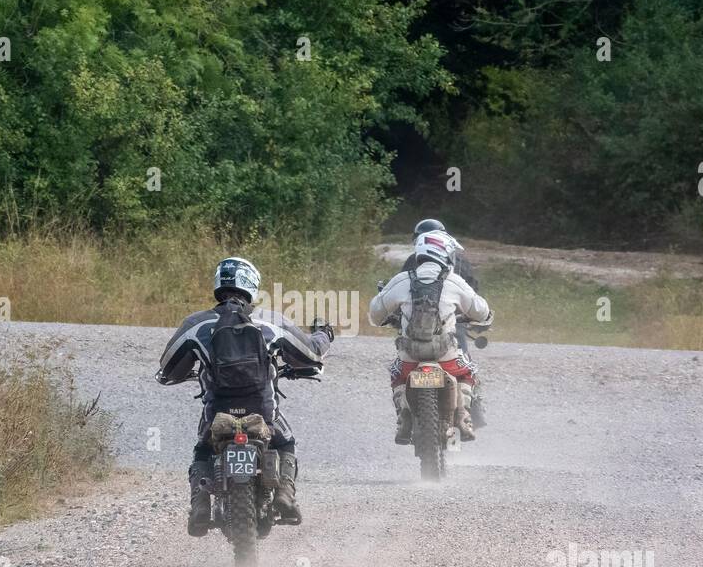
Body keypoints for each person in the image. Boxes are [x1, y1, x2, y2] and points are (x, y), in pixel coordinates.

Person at [157, 257, 333, 537]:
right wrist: (325, 334)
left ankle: (200, 505)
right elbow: (310, 353)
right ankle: (285, 495)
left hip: (217, 414)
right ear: (251, 284)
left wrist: (179, 373)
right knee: (285, 442)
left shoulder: (196, 324)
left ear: (219, 284)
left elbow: (167, 367)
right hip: (263, 412)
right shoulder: (271, 322)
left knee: (202, 449)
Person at [370, 230, 492, 444]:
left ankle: (404, 416)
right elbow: (481, 311)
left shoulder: (402, 280)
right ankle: (463, 415)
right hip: (446, 355)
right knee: (469, 372)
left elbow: (375, 312)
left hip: (410, 355)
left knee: (396, 374)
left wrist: (387, 317)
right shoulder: (453, 281)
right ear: (444, 254)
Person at [401, 219, 487, 426]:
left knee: (403, 366)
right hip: (454, 326)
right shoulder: (460, 262)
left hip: (415, 326)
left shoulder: (413, 261)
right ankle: (474, 413)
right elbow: (474, 295)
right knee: (467, 365)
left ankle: (404, 412)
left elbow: (399, 292)